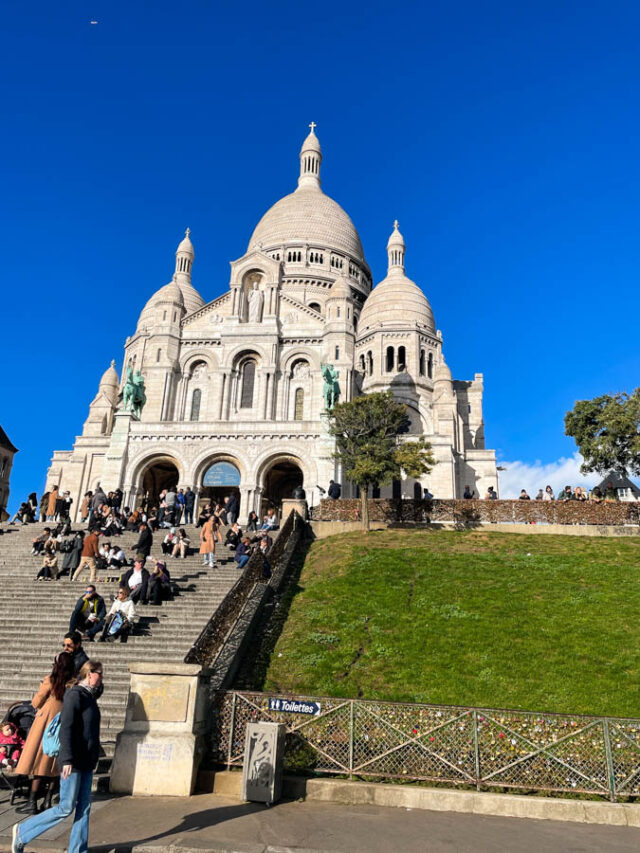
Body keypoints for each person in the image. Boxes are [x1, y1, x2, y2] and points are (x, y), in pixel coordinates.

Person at [12, 660, 103, 853]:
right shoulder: (75, 695)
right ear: (89, 674)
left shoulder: (88, 696)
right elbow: (66, 728)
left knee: (84, 807)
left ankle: (78, 850)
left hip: (86, 761)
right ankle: (22, 832)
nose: (102, 677)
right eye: (99, 673)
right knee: (65, 807)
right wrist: (67, 759)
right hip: (73, 761)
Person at [14, 651, 76, 815]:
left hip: (46, 722)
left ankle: (32, 801)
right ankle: (48, 800)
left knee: (38, 762)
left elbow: (36, 702)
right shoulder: (73, 683)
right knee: (55, 763)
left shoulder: (51, 680)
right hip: (63, 722)